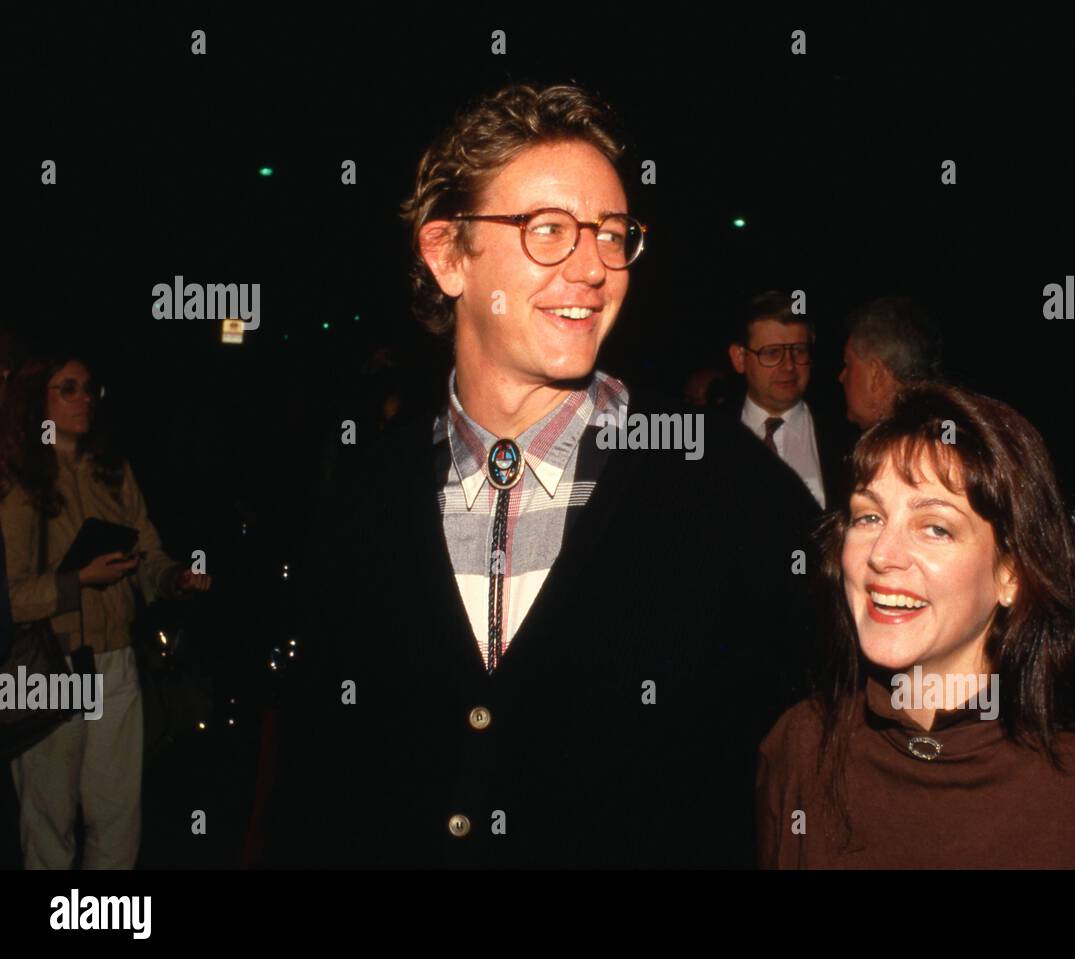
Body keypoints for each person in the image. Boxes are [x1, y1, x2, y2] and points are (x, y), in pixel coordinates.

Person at [267, 83, 819, 868]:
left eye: (612, 233)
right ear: (448, 254)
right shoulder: (361, 493)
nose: (594, 268)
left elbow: (810, 771)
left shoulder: (735, 492)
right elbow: (316, 786)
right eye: (549, 230)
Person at [756, 381, 1075, 868]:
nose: (882, 555)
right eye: (869, 517)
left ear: (1012, 575)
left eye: (935, 527)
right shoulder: (801, 747)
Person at [0, 354, 212, 869]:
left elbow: (147, 555)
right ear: (37, 401)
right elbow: (8, 596)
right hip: (51, 664)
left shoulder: (112, 470)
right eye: (66, 388)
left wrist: (174, 579)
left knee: (117, 819)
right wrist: (78, 582)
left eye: (88, 387)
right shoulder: (18, 483)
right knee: (48, 822)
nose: (82, 398)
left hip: (115, 661)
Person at [728, 291, 852, 510]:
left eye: (799, 351)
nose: (788, 366)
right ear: (739, 358)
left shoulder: (845, 432)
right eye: (772, 353)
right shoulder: (713, 433)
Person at [838, 295, 943, 430]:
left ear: (876, 375)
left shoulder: (903, 446)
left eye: (848, 364)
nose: (841, 377)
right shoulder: (945, 431)